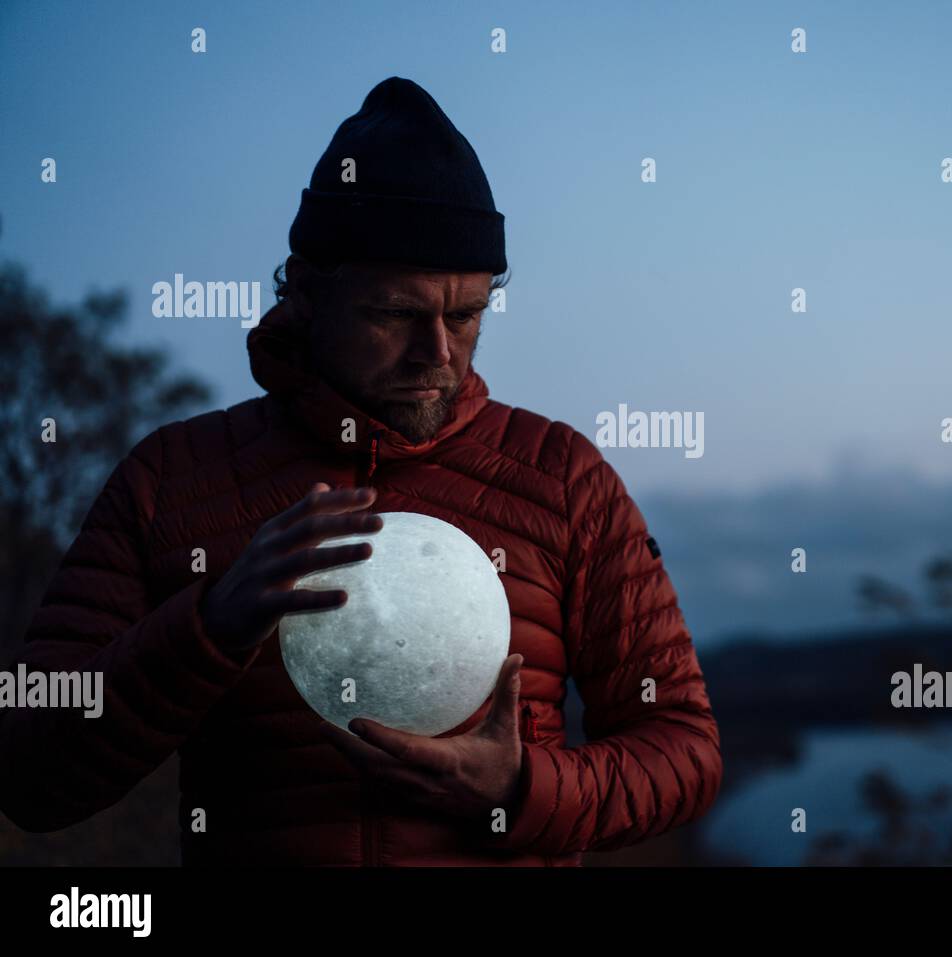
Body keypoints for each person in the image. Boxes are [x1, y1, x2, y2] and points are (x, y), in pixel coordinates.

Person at [0, 77, 723, 865]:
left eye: (465, 315)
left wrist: (522, 787)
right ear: (309, 294)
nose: (437, 354)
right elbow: (29, 771)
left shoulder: (563, 480)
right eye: (396, 314)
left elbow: (685, 751)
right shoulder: (171, 480)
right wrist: (207, 628)